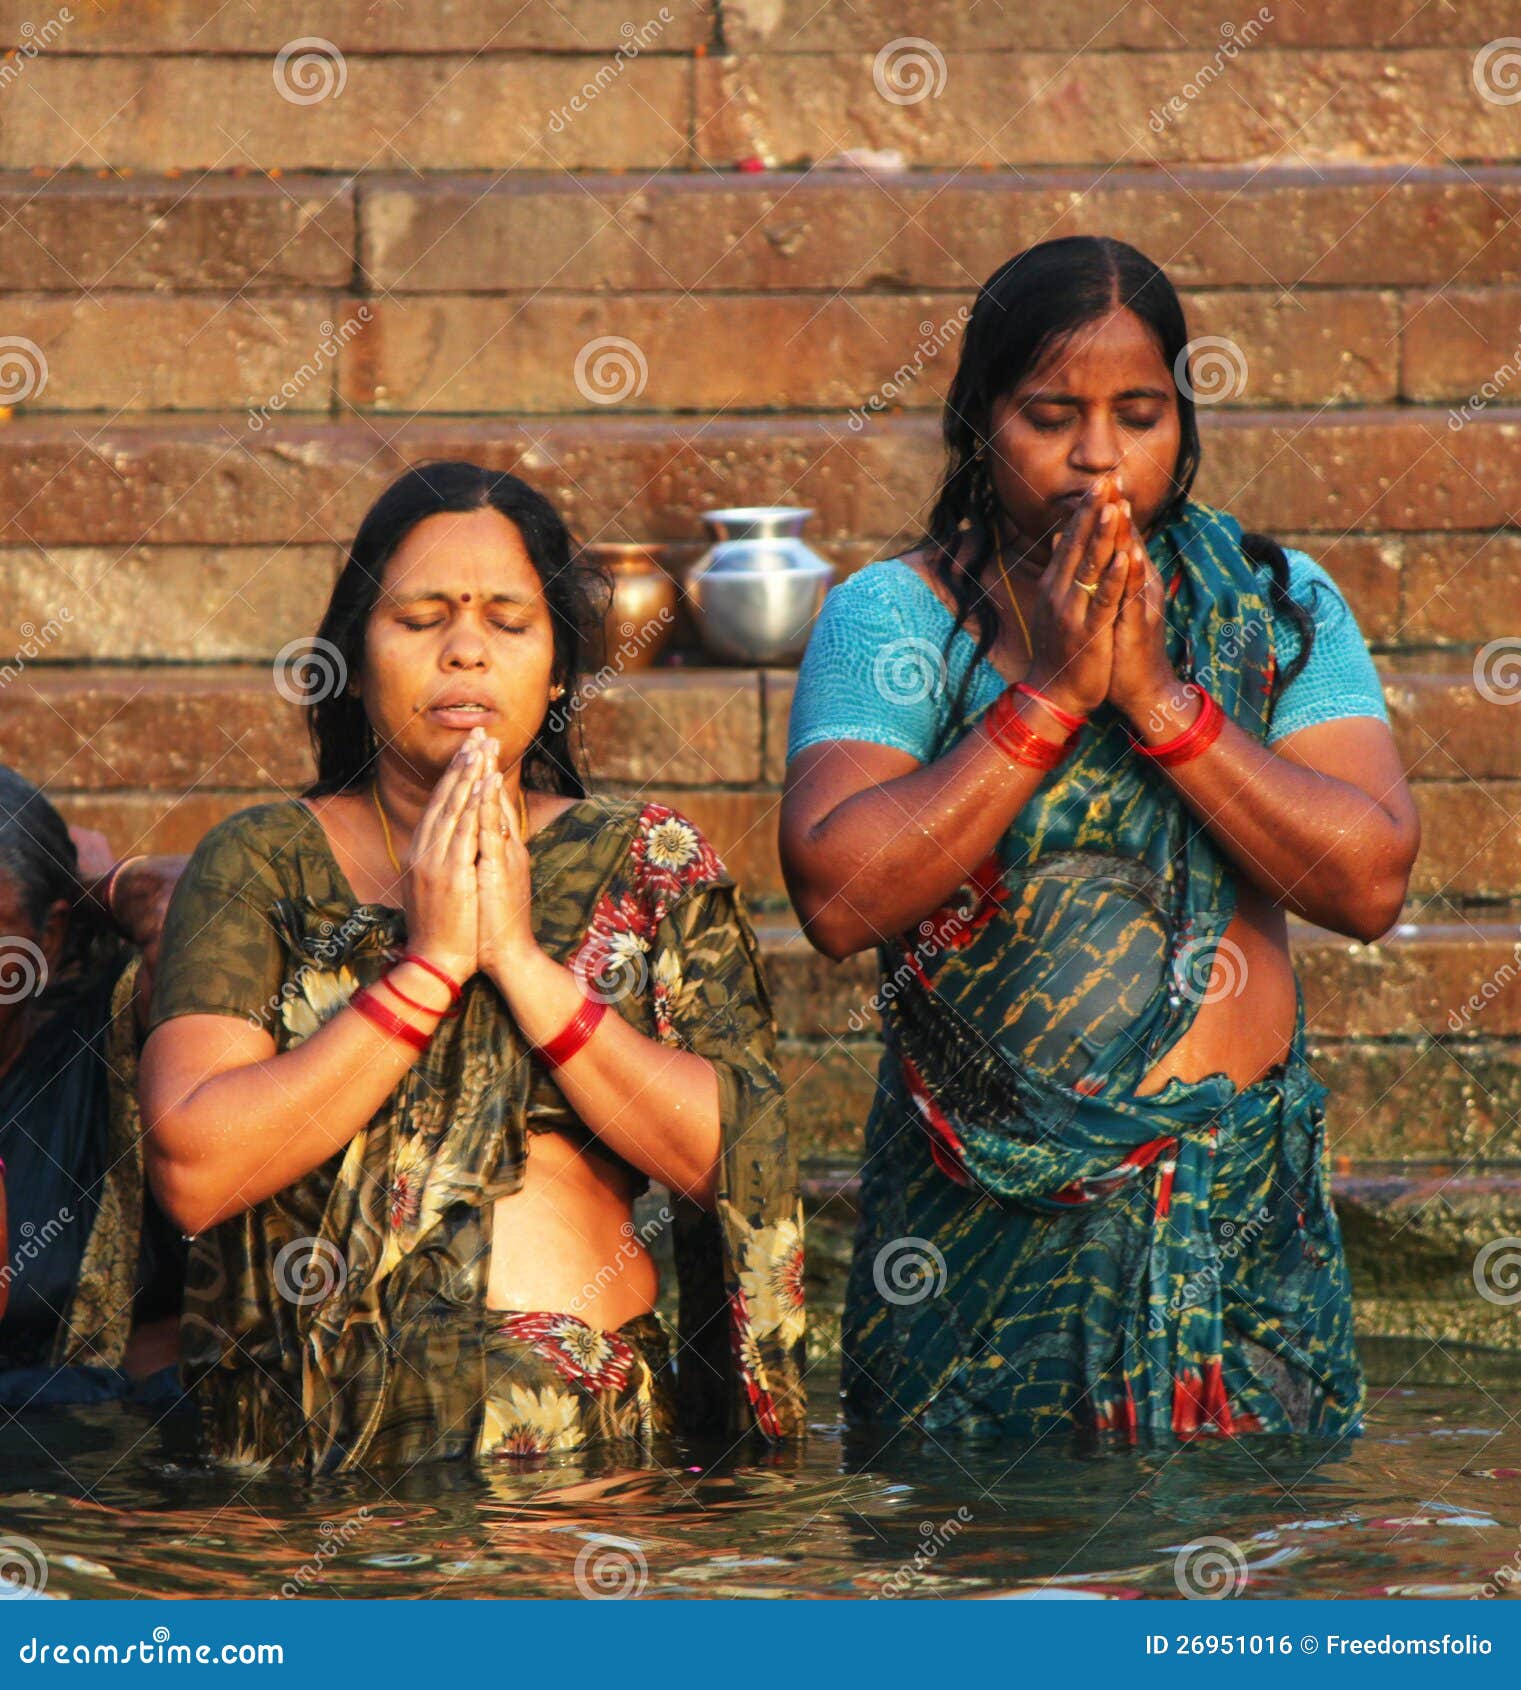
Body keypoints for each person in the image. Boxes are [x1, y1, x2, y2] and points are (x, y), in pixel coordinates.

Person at [779, 236, 1419, 1445]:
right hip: (976, 1246)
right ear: (978, 425)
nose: (1097, 456)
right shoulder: (898, 616)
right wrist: (1054, 695)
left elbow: (1371, 876)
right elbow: (836, 892)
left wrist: (1164, 704)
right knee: (978, 1579)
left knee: (1246, 1586)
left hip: (1233, 1230)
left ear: (1184, 418)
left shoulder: (1279, 604)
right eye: (1049, 415)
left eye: (1139, 414)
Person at [138, 461, 805, 1476]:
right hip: (313, 1463)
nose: (465, 649)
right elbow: (195, 1166)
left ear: (560, 668)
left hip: (584, 1472)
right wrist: (431, 966)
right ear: (354, 662)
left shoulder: (648, 861)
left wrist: (522, 965)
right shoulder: (260, 863)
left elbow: (732, 1155)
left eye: (508, 620)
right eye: (420, 619)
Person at [0, 768, 187, 1408]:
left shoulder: (93, 1045)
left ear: (47, 937)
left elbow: (195, 903)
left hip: (80, 1465)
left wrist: (104, 887)